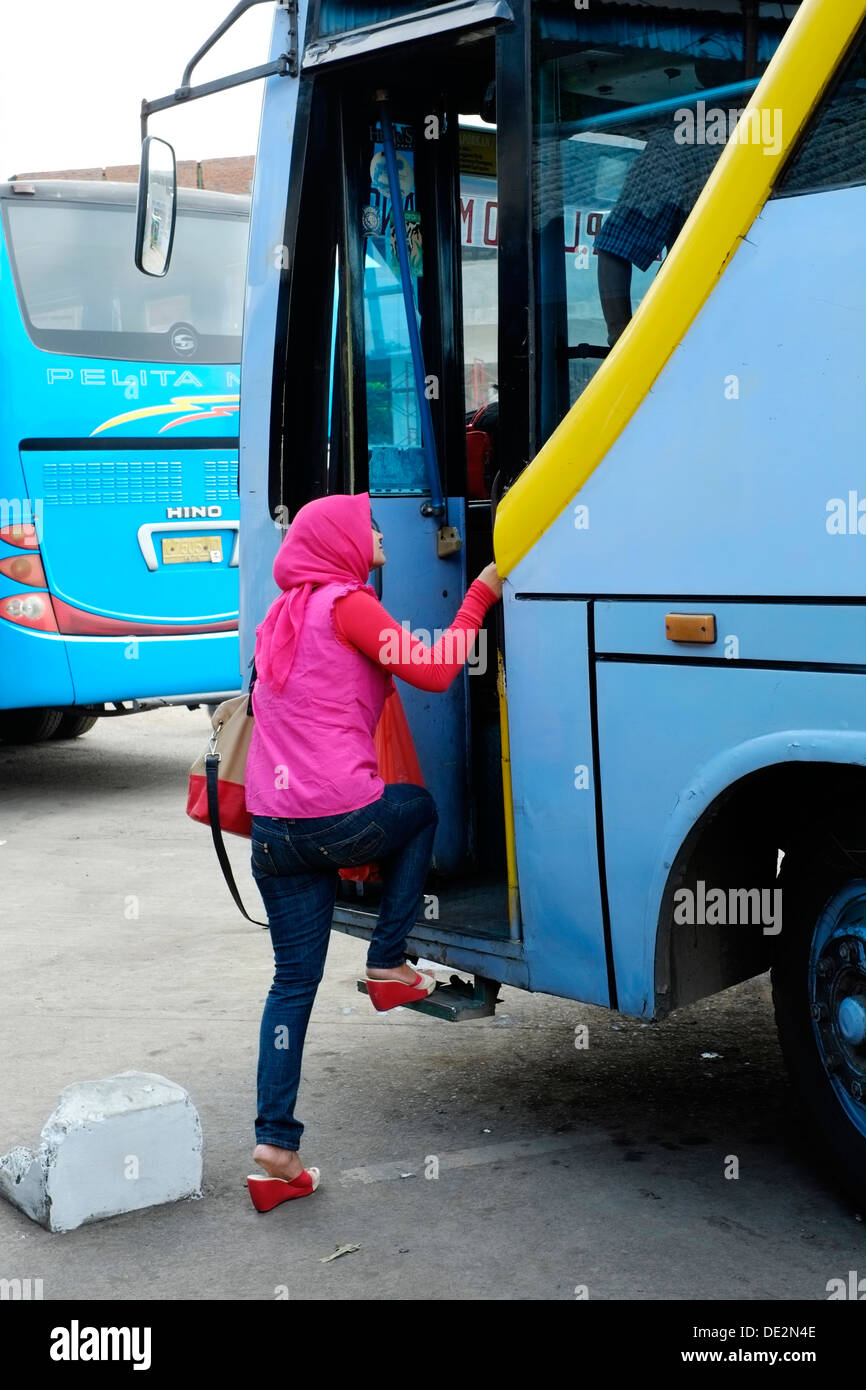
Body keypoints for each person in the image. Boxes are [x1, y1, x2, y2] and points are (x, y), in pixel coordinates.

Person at [243, 491, 502, 1212]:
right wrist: (479, 594)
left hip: (274, 829)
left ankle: (273, 1155)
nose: (379, 531)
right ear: (339, 543)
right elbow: (433, 669)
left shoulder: (279, 615)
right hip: (336, 818)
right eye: (368, 525)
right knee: (418, 809)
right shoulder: (347, 603)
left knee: (289, 988)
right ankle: (388, 962)